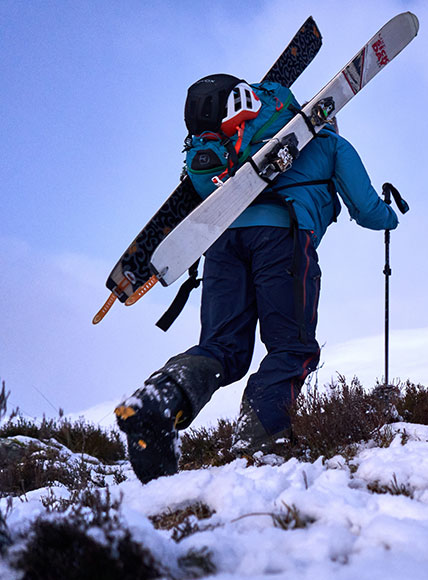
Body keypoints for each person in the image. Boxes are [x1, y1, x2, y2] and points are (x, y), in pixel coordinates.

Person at [115, 74, 398, 483]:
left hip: (221, 241)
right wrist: (390, 215)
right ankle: (256, 447)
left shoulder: (231, 144)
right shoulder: (328, 142)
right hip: (283, 238)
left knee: (222, 348)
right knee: (291, 347)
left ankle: (160, 399)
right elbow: (368, 210)